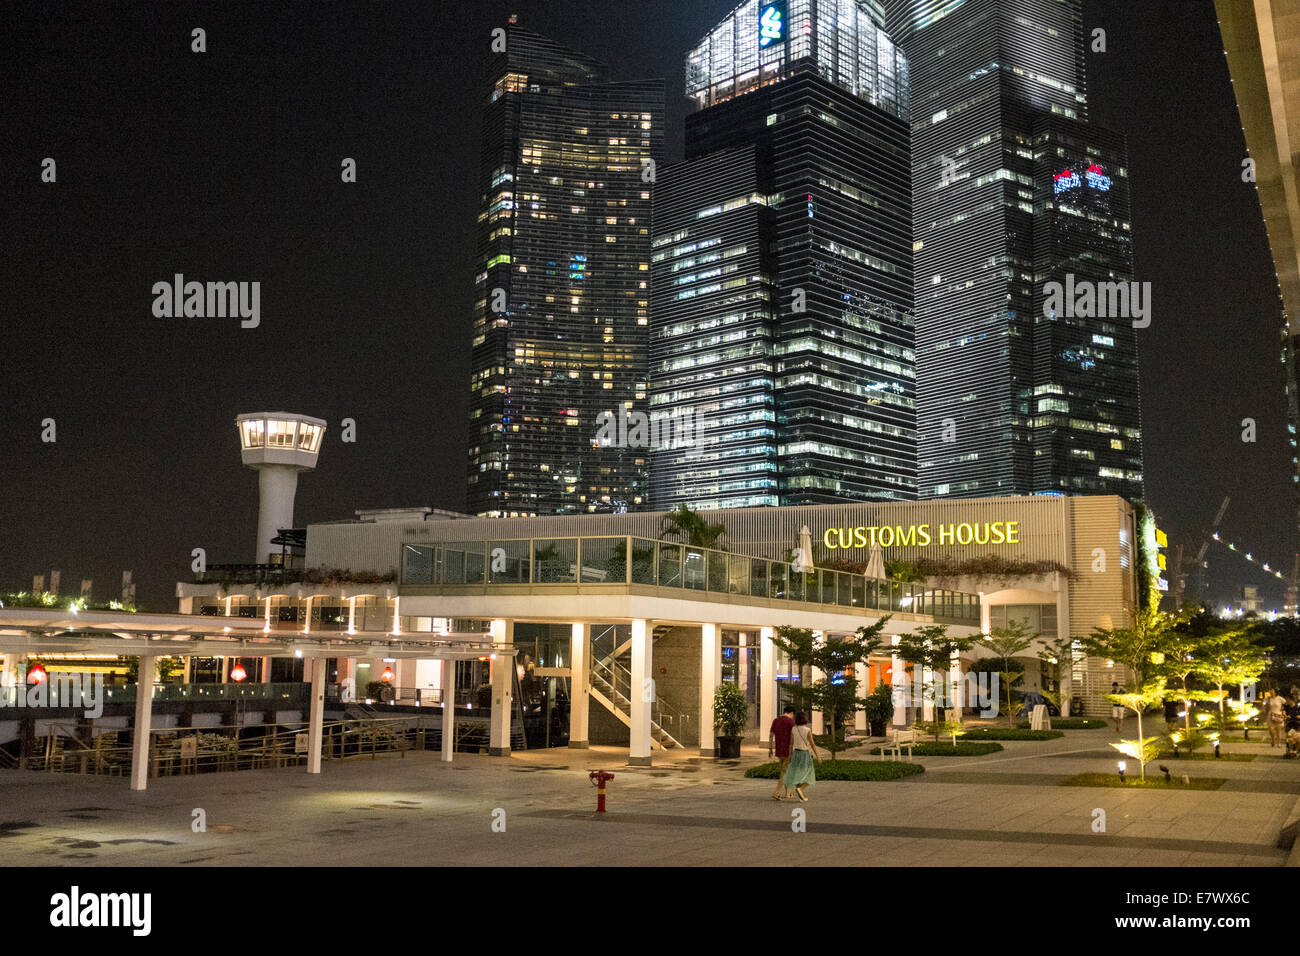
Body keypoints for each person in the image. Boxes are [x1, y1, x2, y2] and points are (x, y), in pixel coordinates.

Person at [782, 711, 821, 802]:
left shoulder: (793, 729)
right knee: (809, 774)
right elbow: (812, 744)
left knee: (796, 773)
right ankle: (800, 789)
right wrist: (818, 756)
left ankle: (801, 795)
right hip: (805, 754)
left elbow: (791, 744)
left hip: (796, 753)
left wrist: (790, 755)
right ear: (805, 719)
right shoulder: (807, 730)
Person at [768, 705, 796, 800]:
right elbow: (792, 737)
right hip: (787, 751)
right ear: (791, 713)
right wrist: (791, 750)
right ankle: (777, 792)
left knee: (784, 772)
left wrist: (770, 748)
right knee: (784, 773)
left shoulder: (776, 721)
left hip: (779, 750)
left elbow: (771, 735)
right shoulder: (791, 722)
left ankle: (788, 793)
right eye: (793, 715)